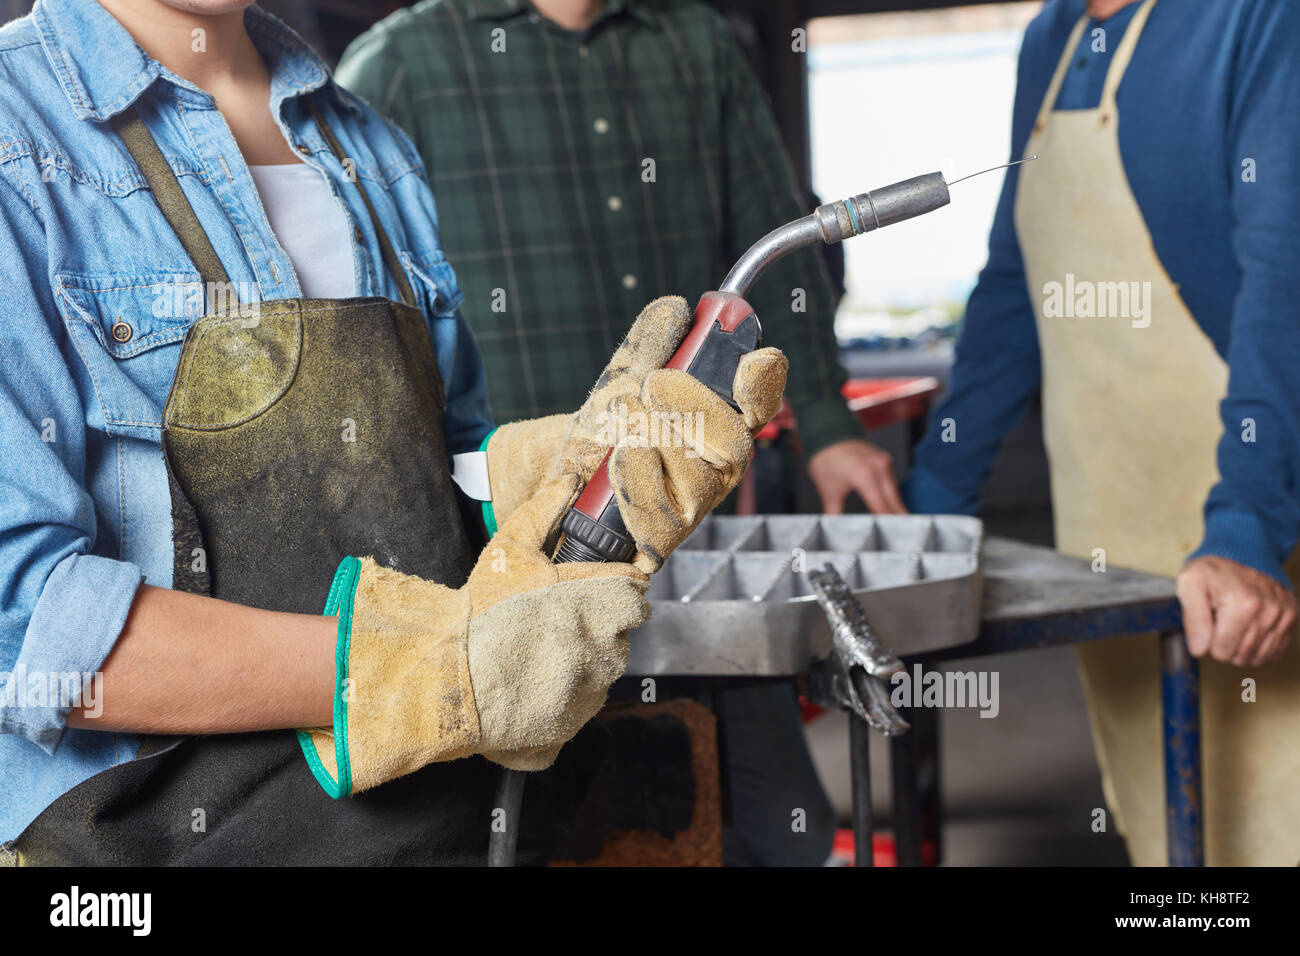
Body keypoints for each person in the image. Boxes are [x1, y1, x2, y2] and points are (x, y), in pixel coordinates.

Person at [0, 0, 785, 865]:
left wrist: (551, 473)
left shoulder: (365, 144)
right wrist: (432, 671)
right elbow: (26, 626)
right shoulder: (16, 132)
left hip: (443, 823)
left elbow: (433, 480)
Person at [337, 0, 864, 865]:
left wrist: (834, 426)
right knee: (564, 832)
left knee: (780, 832)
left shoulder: (699, 45)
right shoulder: (397, 67)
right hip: (524, 562)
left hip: (689, 526)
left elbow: (783, 242)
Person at [903, 0, 1300, 865]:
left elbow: (1287, 286)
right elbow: (1013, 288)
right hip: (1113, 565)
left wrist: (1248, 531)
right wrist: (926, 508)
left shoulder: (1259, 17)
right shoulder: (1048, 41)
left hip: (1248, 555)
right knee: (1167, 840)